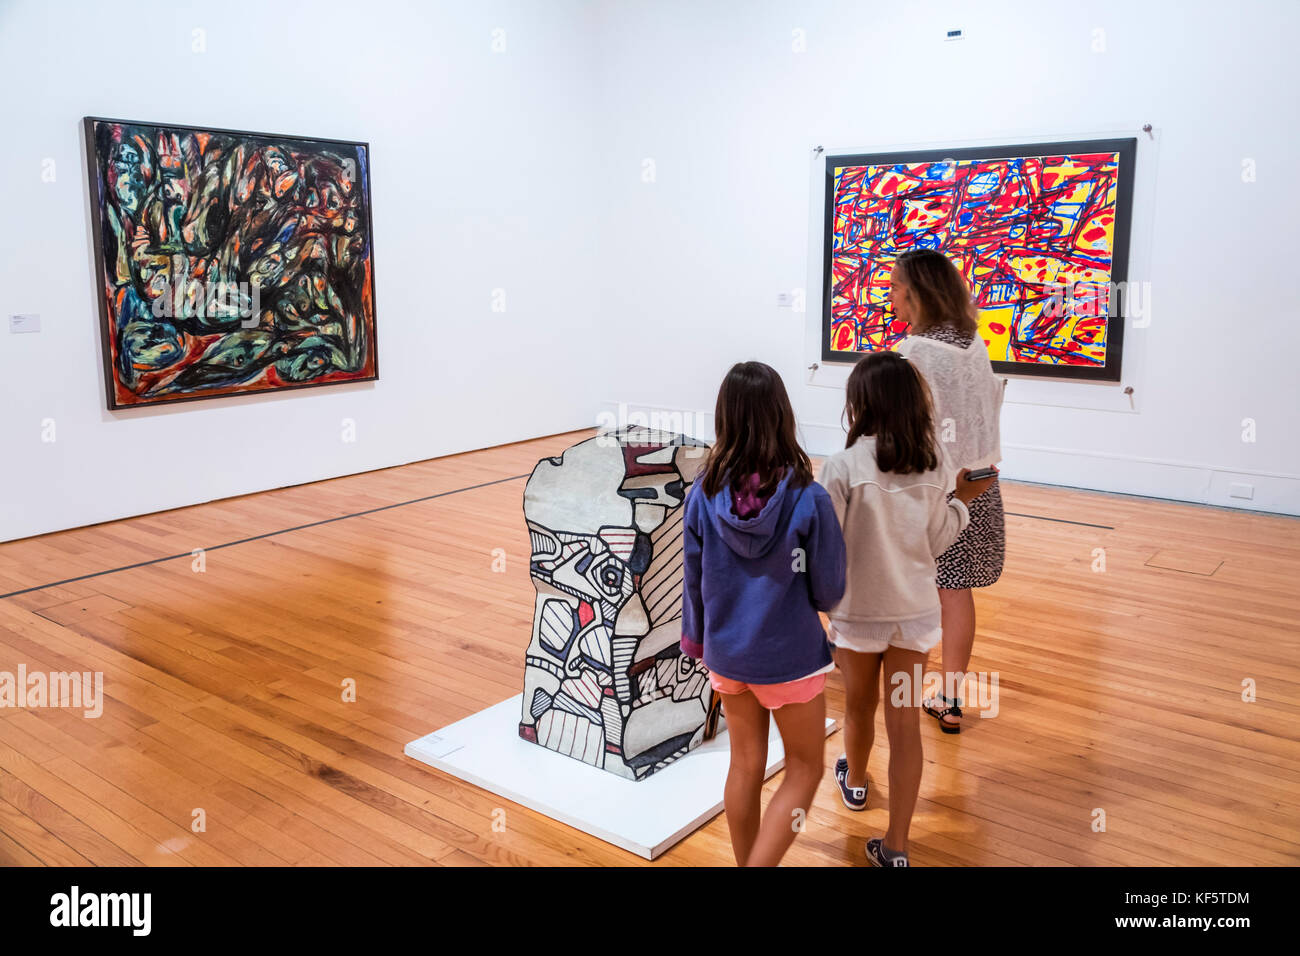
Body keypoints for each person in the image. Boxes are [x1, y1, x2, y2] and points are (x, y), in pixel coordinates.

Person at [820, 351, 995, 866]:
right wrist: (962, 498)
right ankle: (896, 848)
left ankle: (854, 781)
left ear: (861, 403)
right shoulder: (936, 465)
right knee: (905, 728)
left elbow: (827, 547)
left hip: (857, 619)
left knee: (857, 707)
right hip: (913, 621)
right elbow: (938, 542)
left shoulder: (841, 467)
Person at [681, 361, 846, 867]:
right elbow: (829, 590)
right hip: (789, 658)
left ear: (724, 417)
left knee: (745, 765)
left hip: (727, 656)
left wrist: (699, 643)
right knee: (804, 769)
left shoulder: (701, 495)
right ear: (783, 415)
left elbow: (693, 582)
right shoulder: (808, 498)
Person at [893, 248, 1006, 734]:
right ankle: (951, 698)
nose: (891, 295)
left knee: (905, 592)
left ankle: (888, 690)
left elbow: (902, 434)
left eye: (897, 286)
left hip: (932, 492)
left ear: (917, 292)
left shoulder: (914, 353)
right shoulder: (974, 344)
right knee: (955, 594)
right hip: (979, 486)